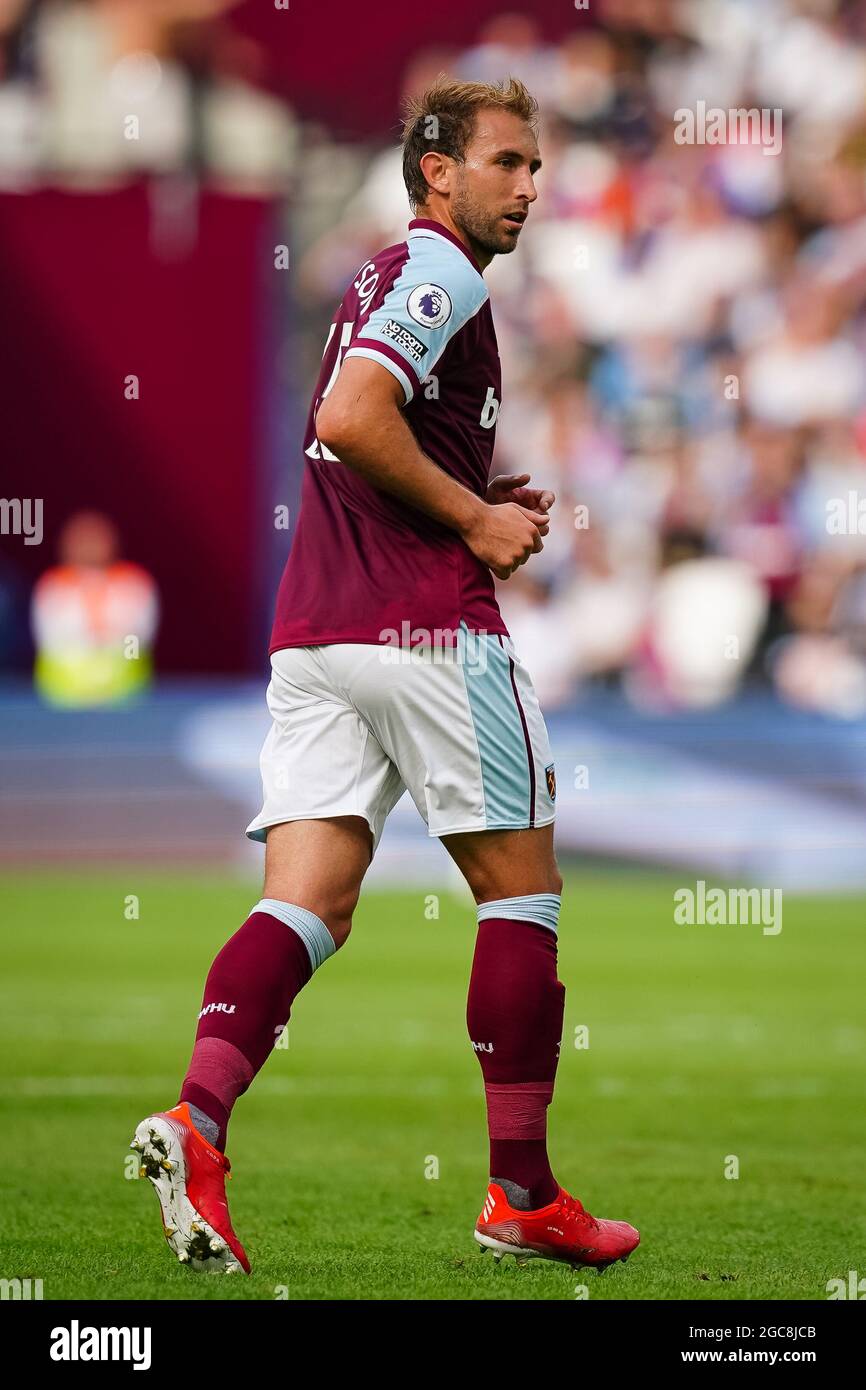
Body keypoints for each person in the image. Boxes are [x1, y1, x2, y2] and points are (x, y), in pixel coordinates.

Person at [131, 76, 639, 1277]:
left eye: (533, 163)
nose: (528, 185)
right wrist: (472, 516)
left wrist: (465, 472)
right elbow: (358, 414)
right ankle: (520, 1193)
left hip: (317, 634)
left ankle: (197, 1120)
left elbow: (351, 419)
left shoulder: (373, 276)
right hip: (425, 636)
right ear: (436, 174)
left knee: (305, 902)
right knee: (521, 898)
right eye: (506, 162)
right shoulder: (441, 273)